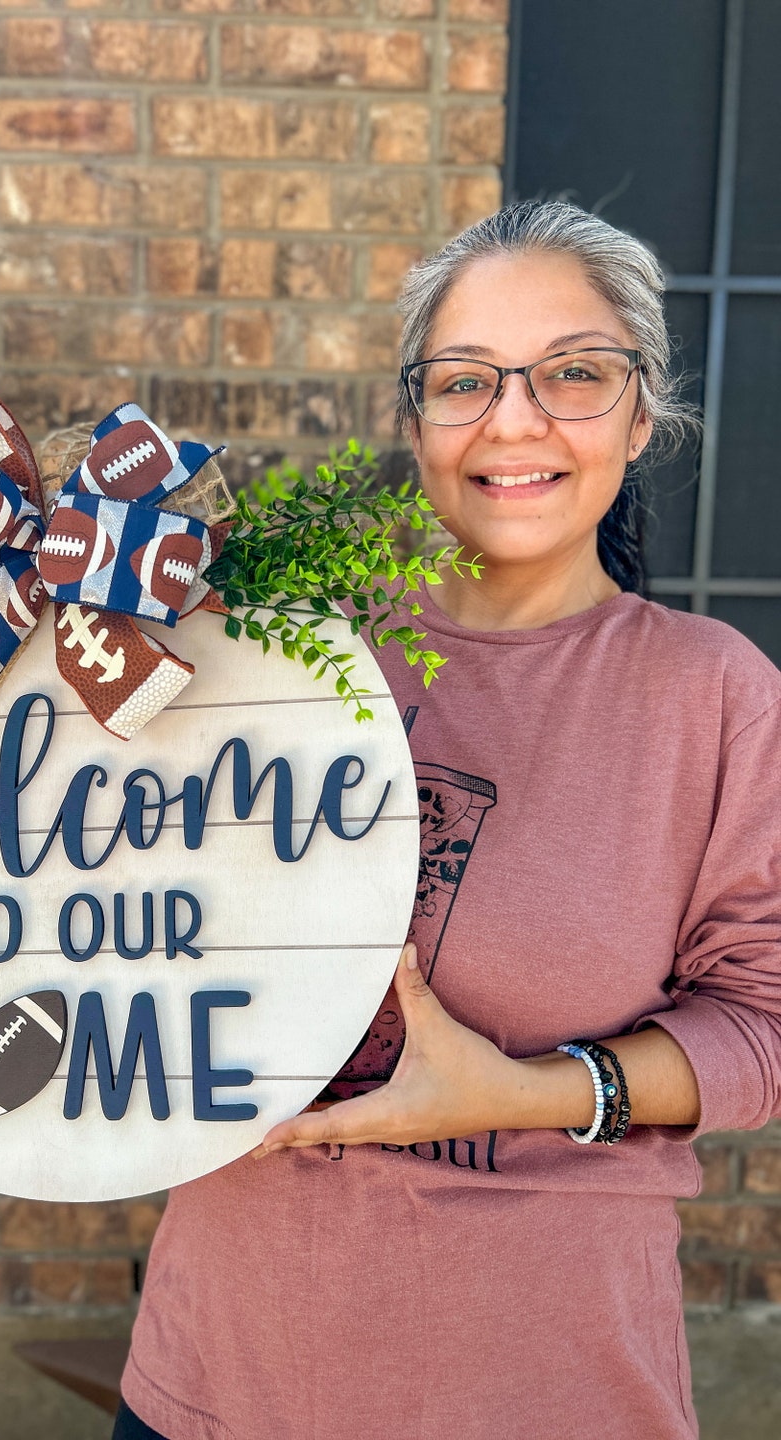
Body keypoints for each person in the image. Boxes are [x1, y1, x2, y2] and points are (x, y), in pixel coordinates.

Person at [110, 202, 781, 1439]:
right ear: (413, 420)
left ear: (641, 416)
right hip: (217, 1378)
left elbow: (762, 1025)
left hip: (547, 1392)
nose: (515, 420)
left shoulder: (715, 694)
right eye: (467, 381)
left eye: (574, 375)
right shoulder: (270, 654)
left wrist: (519, 1093)